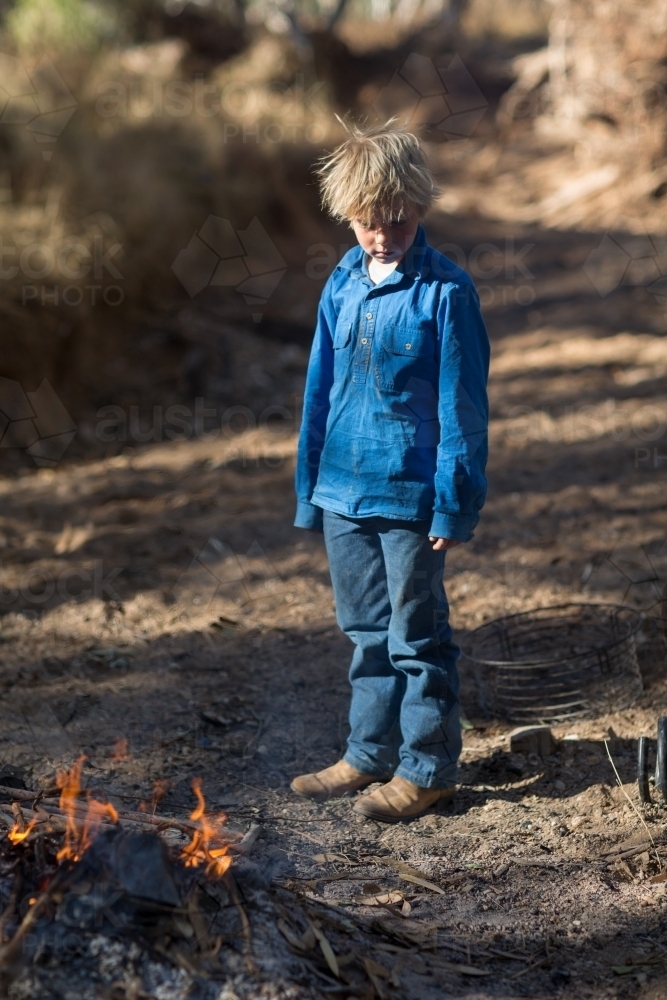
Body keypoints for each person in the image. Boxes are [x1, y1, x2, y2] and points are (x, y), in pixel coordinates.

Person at [290, 120, 489, 822]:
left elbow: (462, 408)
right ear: (347, 217)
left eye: (397, 223)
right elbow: (319, 390)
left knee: (416, 637)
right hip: (342, 491)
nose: (381, 238)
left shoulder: (446, 294)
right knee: (364, 633)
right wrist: (309, 490)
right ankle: (366, 755)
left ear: (420, 211)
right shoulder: (341, 282)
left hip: (409, 495)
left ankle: (427, 768)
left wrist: (452, 504)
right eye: (368, 224)